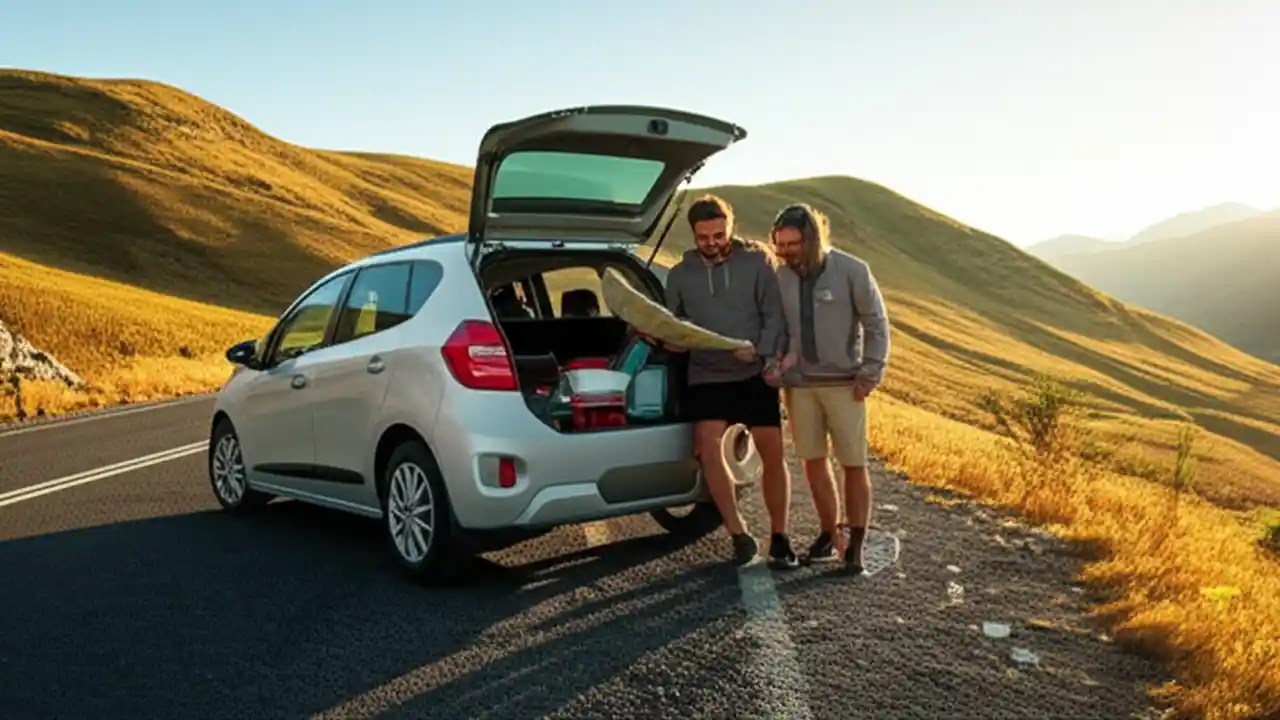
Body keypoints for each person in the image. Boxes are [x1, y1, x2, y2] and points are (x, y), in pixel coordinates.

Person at [661, 194, 797, 568]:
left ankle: (780, 537)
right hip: (707, 373)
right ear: (694, 235)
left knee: (773, 453)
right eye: (703, 237)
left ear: (730, 228)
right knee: (707, 447)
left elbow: (774, 315)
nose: (712, 243)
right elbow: (673, 325)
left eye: (719, 235)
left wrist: (760, 352)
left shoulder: (757, 262)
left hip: (753, 371)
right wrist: (671, 341)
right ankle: (739, 535)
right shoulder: (680, 275)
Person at [769, 203, 891, 573]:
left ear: (812, 238)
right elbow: (778, 327)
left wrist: (870, 372)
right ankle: (828, 534)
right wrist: (776, 362)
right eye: (780, 245)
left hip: (845, 385)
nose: (786, 252)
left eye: (792, 244)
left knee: (853, 463)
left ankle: (855, 548)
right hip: (799, 386)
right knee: (812, 462)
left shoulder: (853, 270)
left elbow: (876, 324)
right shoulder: (781, 276)